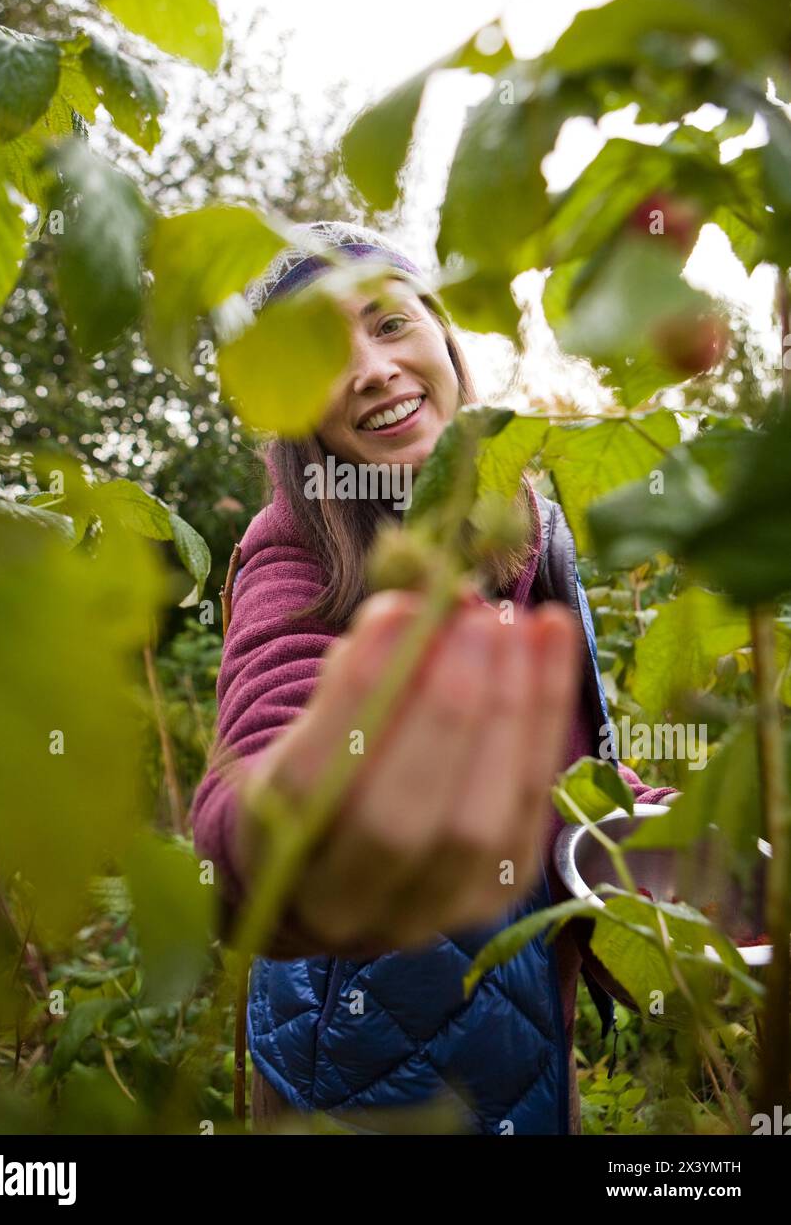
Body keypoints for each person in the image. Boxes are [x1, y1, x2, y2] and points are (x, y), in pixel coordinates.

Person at [190, 221, 675, 1136]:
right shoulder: (294, 550)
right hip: (358, 1088)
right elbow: (243, 801)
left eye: (388, 323)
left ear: (442, 331)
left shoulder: (528, 528)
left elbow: (572, 778)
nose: (372, 368)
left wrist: (684, 832)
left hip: (529, 1041)